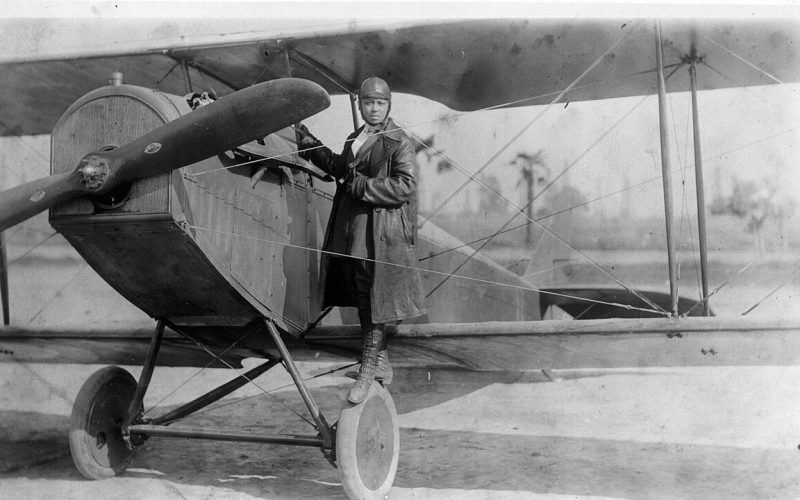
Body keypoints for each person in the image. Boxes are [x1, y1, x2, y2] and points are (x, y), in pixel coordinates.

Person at [296, 76, 426, 404]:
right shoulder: (357, 137)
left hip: (379, 233)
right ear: (361, 105)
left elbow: (405, 186)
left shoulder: (399, 141)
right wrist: (307, 141)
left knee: (372, 297)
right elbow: (339, 167)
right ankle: (380, 363)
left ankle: (369, 368)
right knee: (362, 294)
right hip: (355, 230)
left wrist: (363, 187)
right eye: (368, 103)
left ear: (388, 105)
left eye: (380, 103)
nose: (374, 108)